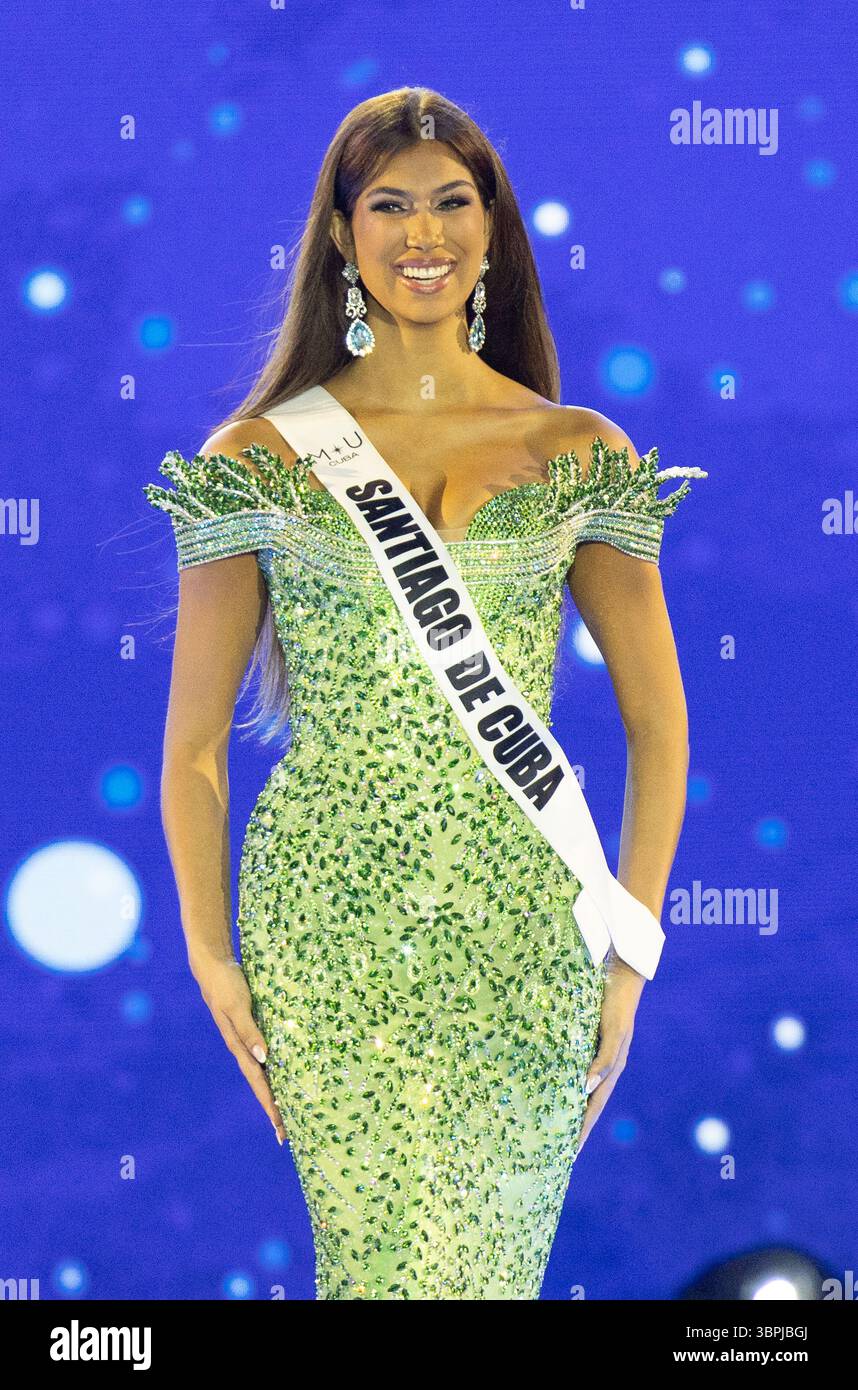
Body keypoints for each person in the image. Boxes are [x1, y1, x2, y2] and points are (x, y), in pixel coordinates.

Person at [143, 86, 705, 1300]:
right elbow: (193, 751)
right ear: (342, 236)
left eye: (453, 203)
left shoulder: (576, 451)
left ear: (494, 233)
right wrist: (208, 953)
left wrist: (631, 954)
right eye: (388, 205)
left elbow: (660, 729)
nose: (423, 234)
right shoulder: (259, 457)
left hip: (527, 930)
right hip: (327, 937)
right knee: (382, 1265)